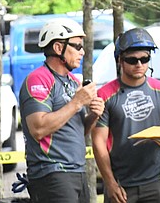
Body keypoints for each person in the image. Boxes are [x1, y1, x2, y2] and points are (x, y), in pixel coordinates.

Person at [19, 17, 104, 203]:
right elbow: (38, 129)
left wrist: (93, 116)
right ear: (58, 48)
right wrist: (76, 103)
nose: (83, 52)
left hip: (77, 171)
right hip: (52, 173)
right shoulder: (38, 79)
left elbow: (77, 132)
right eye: (78, 46)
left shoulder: (73, 81)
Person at [92, 28, 160, 203]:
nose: (139, 64)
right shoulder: (105, 95)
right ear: (120, 61)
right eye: (132, 60)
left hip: (155, 181)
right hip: (121, 183)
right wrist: (110, 183)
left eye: (145, 59)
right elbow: (98, 142)